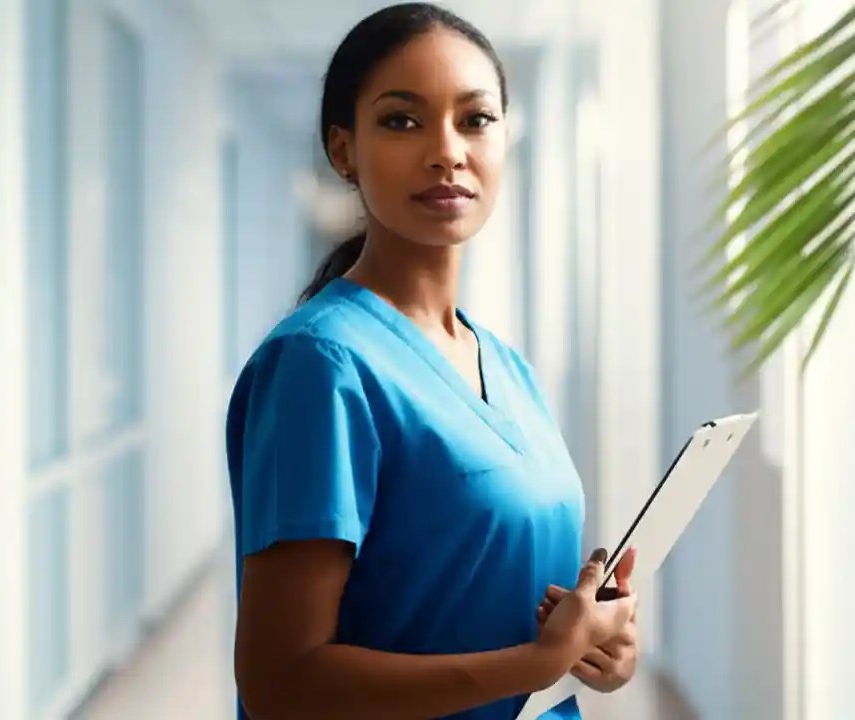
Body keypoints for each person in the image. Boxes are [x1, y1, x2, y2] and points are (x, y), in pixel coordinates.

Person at [225, 4, 639, 718]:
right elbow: (279, 684)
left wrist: (591, 645)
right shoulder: (321, 366)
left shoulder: (504, 364)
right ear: (342, 149)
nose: (447, 150)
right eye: (402, 121)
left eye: (475, 120)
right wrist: (534, 663)